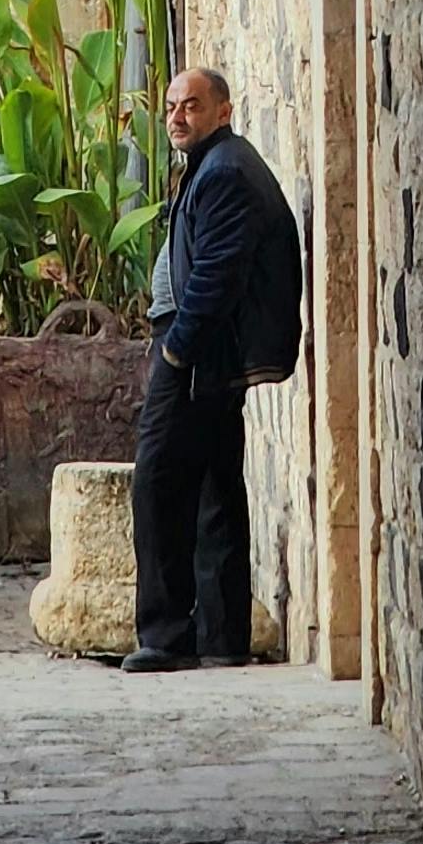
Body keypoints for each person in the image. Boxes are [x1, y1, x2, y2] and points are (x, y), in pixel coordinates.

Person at [124, 62, 303, 675]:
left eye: (192, 106)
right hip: (205, 353)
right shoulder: (215, 166)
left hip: (195, 354)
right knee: (212, 488)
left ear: (223, 111)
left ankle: (166, 636)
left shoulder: (224, 172)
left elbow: (217, 275)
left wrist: (178, 351)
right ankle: (221, 638)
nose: (177, 116)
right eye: (173, 106)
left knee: (159, 482)